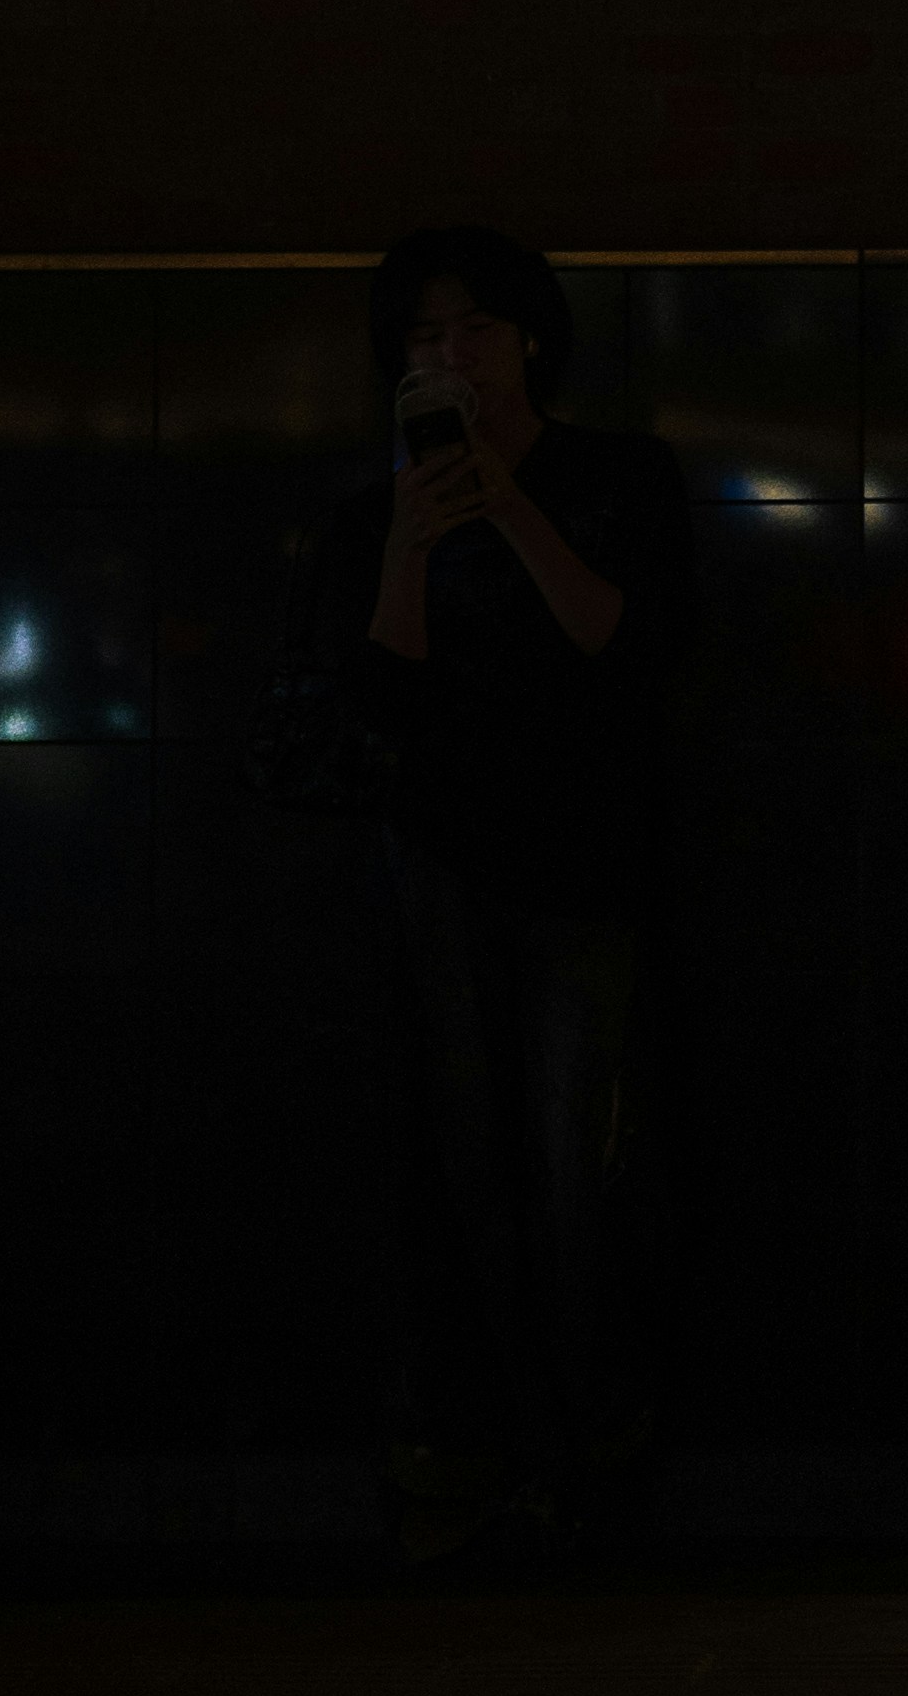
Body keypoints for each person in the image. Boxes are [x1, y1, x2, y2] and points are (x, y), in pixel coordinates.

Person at [260, 227, 694, 1566]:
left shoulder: (614, 478)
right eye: (426, 340)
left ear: (531, 343)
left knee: (574, 1163)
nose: (452, 357)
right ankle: (484, 1446)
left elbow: (623, 641)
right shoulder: (369, 517)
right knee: (464, 1167)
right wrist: (408, 537)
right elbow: (374, 692)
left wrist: (509, 502)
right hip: (437, 870)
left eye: (477, 332)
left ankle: (587, 1452)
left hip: (582, 865)